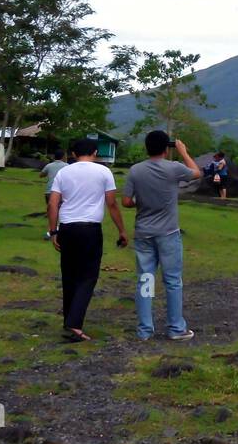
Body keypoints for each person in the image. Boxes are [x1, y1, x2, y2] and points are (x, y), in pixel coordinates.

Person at [47, 138, 128, 342]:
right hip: (90, 229)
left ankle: (69, 322)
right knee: (88, 276)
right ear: (94, 152)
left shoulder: (63, 172)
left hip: (67, 228)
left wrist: (53, 231)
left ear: (73, 154)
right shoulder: (103, 172)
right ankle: (74, 324)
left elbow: (53, 204)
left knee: (69, 276)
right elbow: (112, 204)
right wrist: (122, 231)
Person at [123, 131, 201, 341]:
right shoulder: (173, 169)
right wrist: (184, 152)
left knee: (146, 279)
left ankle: (145, 330)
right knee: (173, 280)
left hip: (143, 234)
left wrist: (141, 202)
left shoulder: (135, 170)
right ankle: (176, 328)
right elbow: (196, 173)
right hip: (168, 234)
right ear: (166, 149)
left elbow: (126, 202)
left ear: (147, 148)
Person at [40, 149, 69, 240]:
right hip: (61, 192)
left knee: (51, 212)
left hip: (49, 192)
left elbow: (41, 175)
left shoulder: (49, 166)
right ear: (63, 157)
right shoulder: (67, 166)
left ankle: (51, 230)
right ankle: (59, 230)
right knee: (61, 212)